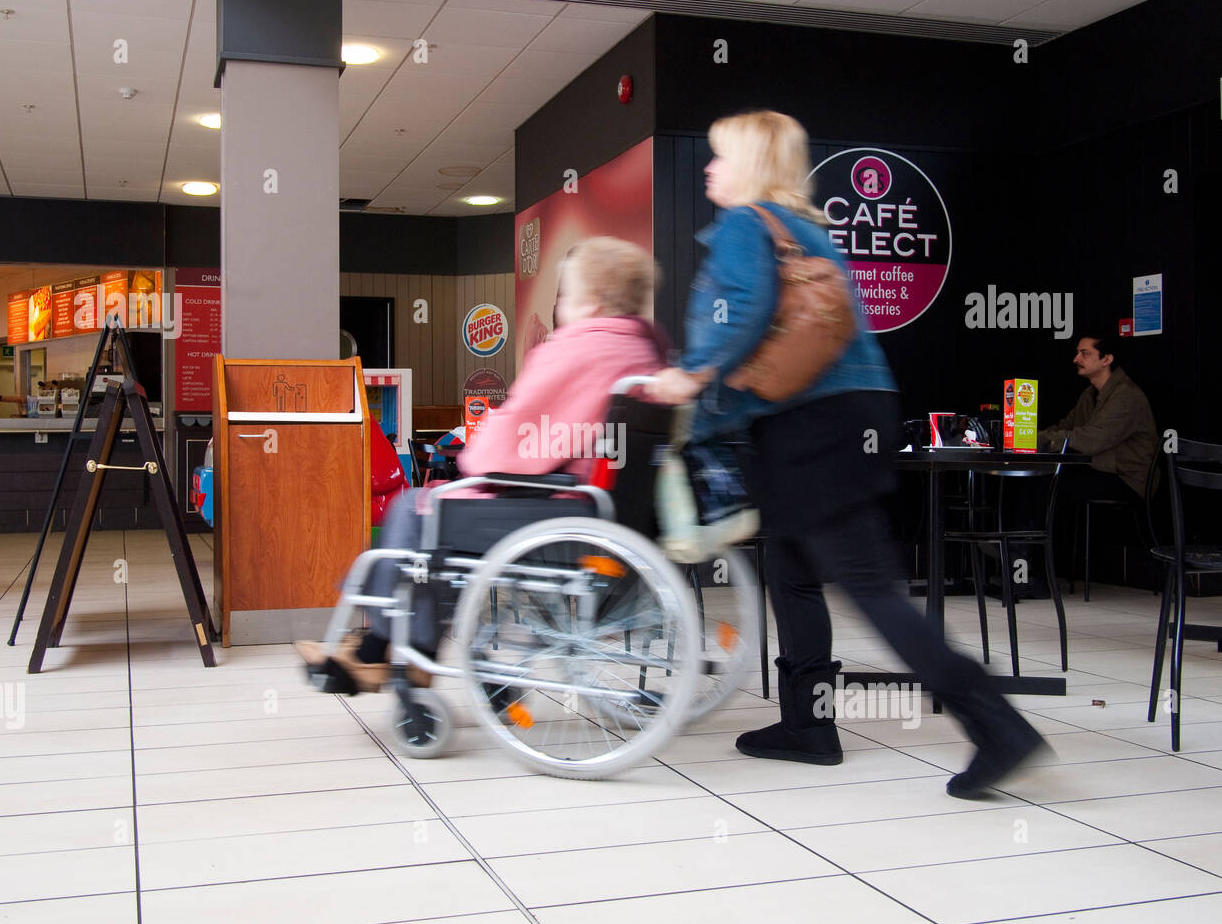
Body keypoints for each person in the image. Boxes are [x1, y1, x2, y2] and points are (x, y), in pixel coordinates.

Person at [648, 109, 1047, 800]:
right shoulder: (806, 231)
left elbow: (744, 312)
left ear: (751, 165)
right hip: (847, 415)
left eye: (719, 158)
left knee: (869, 587)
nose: (708, 170)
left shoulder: (750, 225)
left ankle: (997, 726)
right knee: (793, 571)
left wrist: (693, 373)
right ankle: (810, 724)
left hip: (814, 426)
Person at [296, 236, 669, 694]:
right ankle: (393, 648)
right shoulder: (646, 357)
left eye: (566, 294)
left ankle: (390, 650)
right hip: (600, 513)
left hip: (557, 514)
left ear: (590, 301)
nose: (562, 305)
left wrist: (473, 459)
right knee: (430, 517)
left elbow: (512, 435)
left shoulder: (576, 350)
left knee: (414, 508)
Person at [1038, 331, 1157, 503]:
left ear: (1107, 359)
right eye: (1077, 353)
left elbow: (1093, 440)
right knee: (1046, 480)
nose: (1076, 359)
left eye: (1084, 353)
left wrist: (1040, 439)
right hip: (1100, 471)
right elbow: (1066, 427)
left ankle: (1043, 530)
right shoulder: (1089, 394)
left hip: (1128, 480)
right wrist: (1027, 439)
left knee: (1054, 485)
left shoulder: (1126, 395)